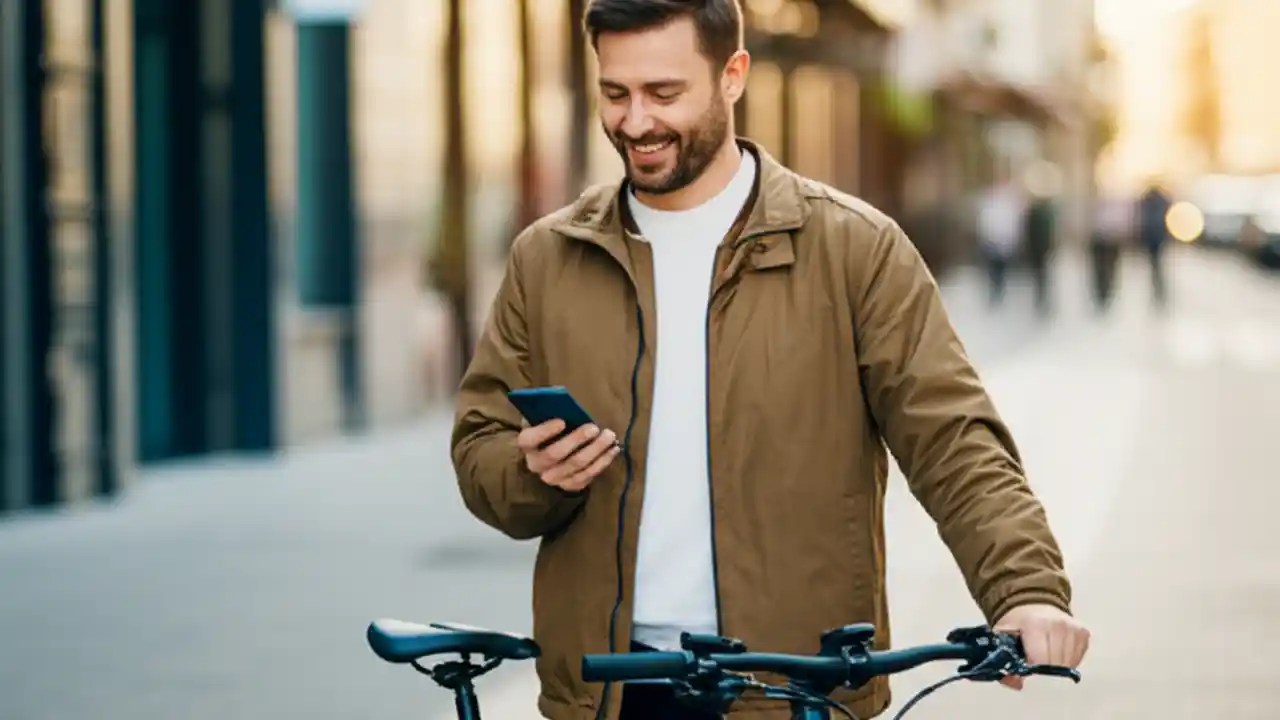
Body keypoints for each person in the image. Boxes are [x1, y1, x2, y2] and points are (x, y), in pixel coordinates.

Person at [450, 2, 1090, 718]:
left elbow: (952, 437)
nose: (635, 122)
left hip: (794, 685)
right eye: (615, 93)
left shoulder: (852, 250)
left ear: (733, 76)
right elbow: (480, 449)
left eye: (664, 93)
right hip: (610, 689)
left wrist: (1024, 589)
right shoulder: (548, 259)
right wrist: (532, 473)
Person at [974, 171, 1025, 307]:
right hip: (992, 240)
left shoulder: (1008, 202)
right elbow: (985, 221)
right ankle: (994, 292)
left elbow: (1013, 222)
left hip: (1004, 241)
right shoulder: (990, 202)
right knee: (992, 269)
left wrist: (1012, 239)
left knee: (1001, 269)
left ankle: (999, 291)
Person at [1136, 181, 1173, 307]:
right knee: (1156, 264)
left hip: (1153, 237)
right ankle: (1159, 289)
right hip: (1157, 237)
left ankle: (1158, 289)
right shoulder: (1160, 202)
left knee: (1155, 264)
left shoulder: (1148, 202)